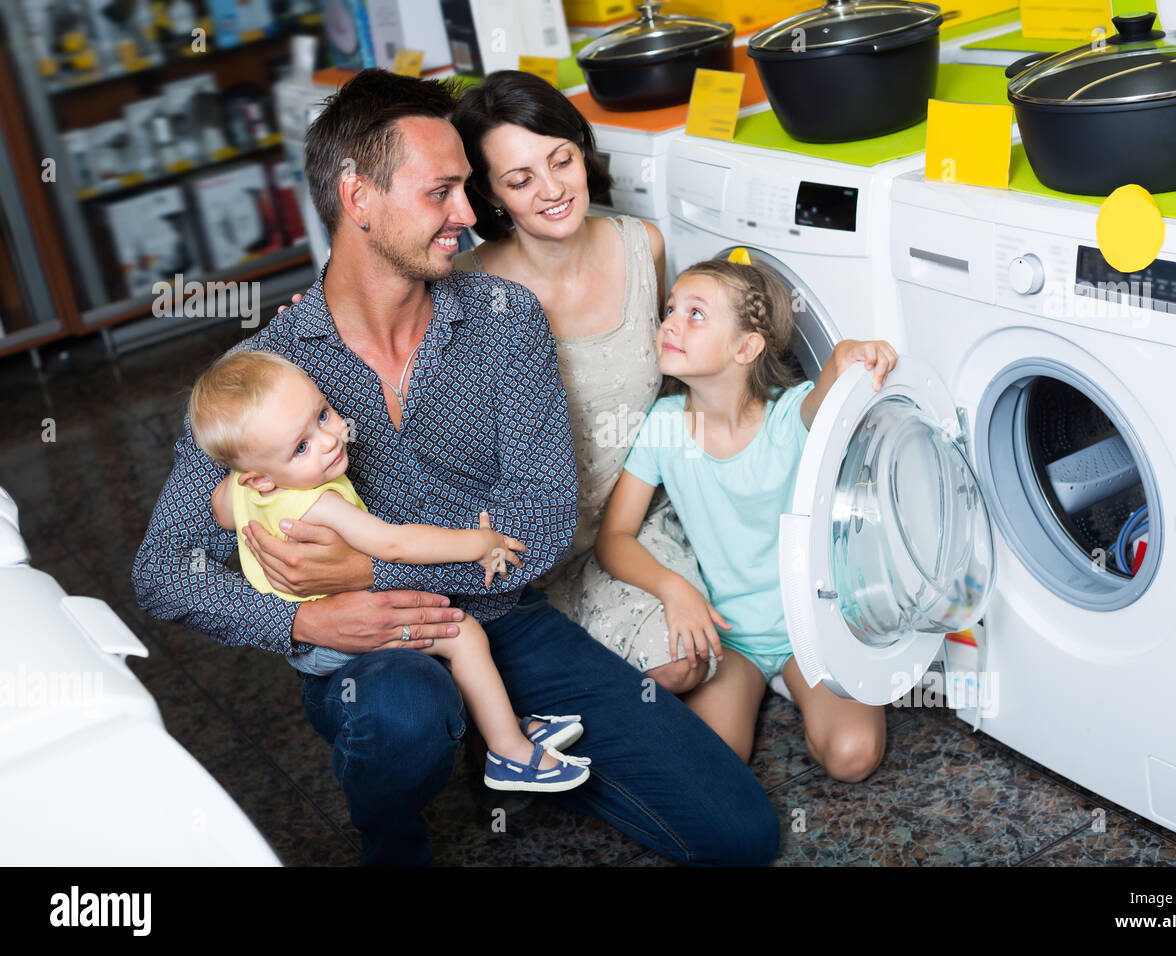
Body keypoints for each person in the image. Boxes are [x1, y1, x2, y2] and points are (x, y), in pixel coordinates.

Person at [132, 68, 779, 866]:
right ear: (358, 198)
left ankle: (498, 743)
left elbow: (539, 518)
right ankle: (396, 839)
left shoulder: (506, 320)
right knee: (402, 713)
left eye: (469, 190)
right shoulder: (259, 375)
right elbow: (164, 566)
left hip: (511, 624)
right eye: (441, 192)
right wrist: (303, 620)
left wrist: (362, 568)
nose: (469, 217)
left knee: (741, 835)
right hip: (377, 651)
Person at [187, 347, 590, 792]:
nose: (329, 440)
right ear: (261, 477)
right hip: (332, 634)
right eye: (300, 447)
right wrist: (479, 542)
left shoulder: (243, 486)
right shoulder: (323, 503)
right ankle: (509, 755)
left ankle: (508, 724)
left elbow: (222, 509)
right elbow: (395, 546)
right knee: (465, 636)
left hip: (304, 635)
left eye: (322, 415)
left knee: (449, 635)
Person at [451, 71, 718, 693]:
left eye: (561, 160)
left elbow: (682, 386)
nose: (552, 190)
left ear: (581, 148)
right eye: (519, 180)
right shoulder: (461, 288)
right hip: (517, 546)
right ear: (489, 196)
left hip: (634, 522)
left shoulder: (639, 247)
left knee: (680, 662)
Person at [595, 259, 897, 782]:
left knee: (853, 757)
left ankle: (798, 685)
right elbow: (613, 538)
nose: (669, 323)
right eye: (670, 310)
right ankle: (769, 685)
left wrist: (849, 355)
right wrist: (676, 590)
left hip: (817, 626)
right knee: (712, 765)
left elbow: (827, 393)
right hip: (730, 636)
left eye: (694, 314)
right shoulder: (664, 428)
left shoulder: (790, 416)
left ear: (746, 348)